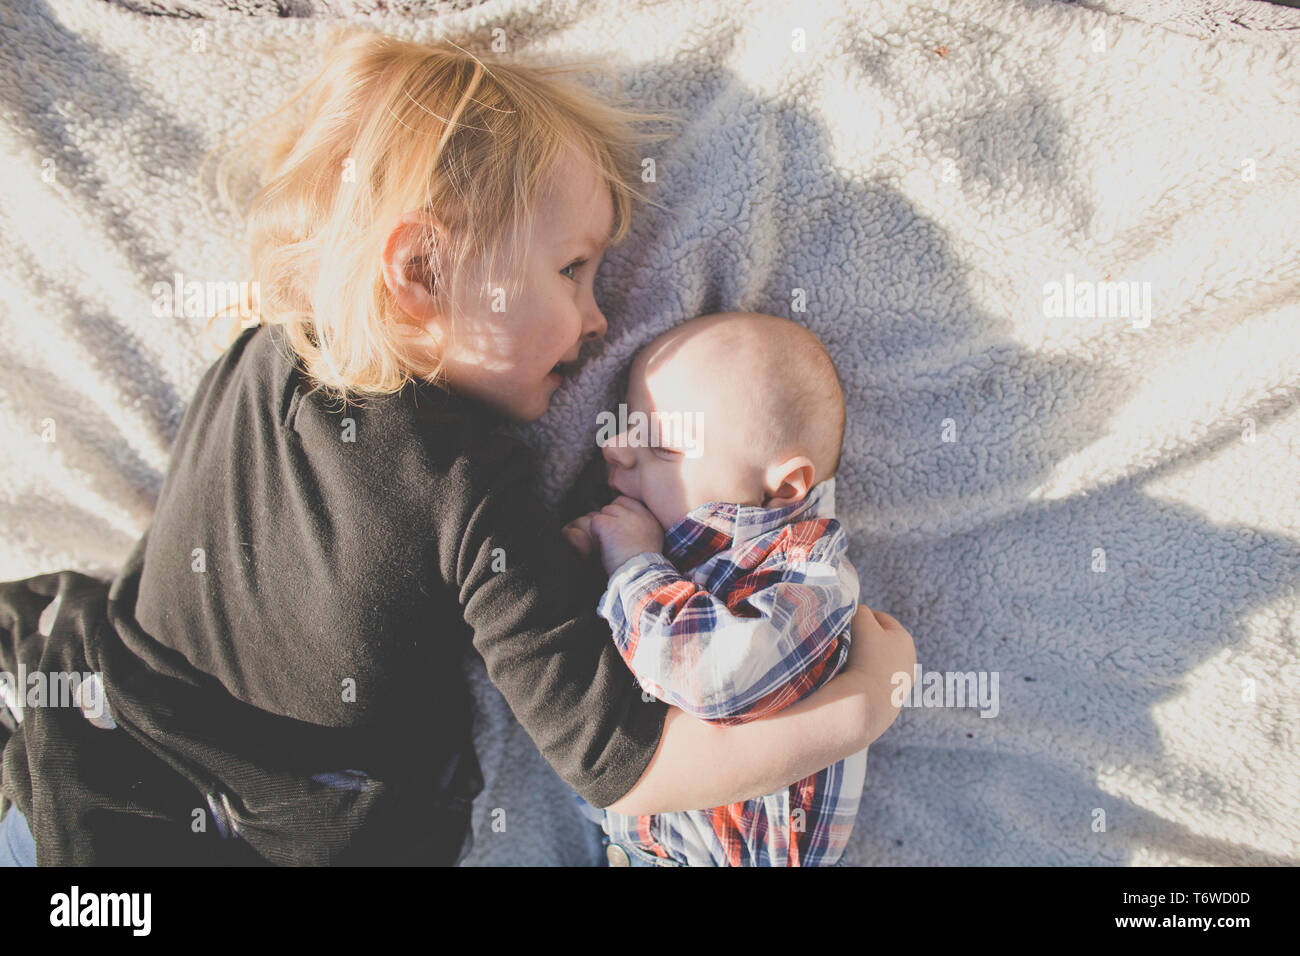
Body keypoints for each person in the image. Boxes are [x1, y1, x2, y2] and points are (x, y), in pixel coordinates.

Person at [0, 30, 914, 866]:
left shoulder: (263, 350)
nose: (598, 324)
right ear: (423, 271)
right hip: (238, 837)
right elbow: (629, 767)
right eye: (571, 269)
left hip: (67, 733)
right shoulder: (472, 484)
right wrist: (860, 707)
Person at [564, 312, 884, 866]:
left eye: (662, 445)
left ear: (783, 487)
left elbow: (720, 680)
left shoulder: (807, 578)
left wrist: (633, 564)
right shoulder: (669, 553)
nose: (616, 448)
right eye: (627, 425)